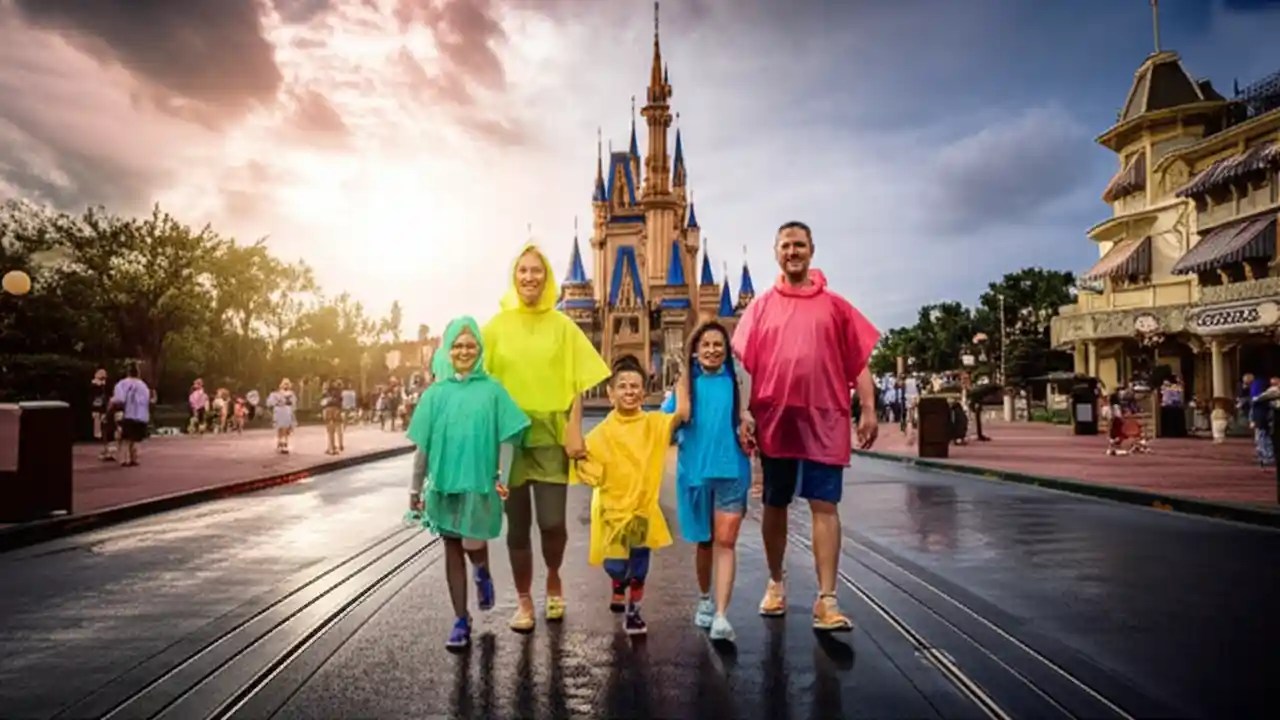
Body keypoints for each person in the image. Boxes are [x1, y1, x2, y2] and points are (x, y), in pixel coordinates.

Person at [732, 220, 879, 632]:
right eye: (785, 246)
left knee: (824, 505)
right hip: (776, 419)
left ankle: (826, 599)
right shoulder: (760, 307)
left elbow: (858, 363)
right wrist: (744, 412)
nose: (792, 252)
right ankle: (776, 583)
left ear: (811, 250)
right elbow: (744, 366)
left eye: (799, 245)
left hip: (824, 418)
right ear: (775, 252)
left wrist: (868, 408)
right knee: (774, 504)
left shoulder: (835, 306)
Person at [482, 243, 611, 632]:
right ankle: (524, 601)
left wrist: (574, 427)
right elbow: (478, 379)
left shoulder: (564, 326)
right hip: (509, 441)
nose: (529, 277)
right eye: (522, 270)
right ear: (513, 275)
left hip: (551, 436)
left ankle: (553, 576)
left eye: (536, 270)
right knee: (517, 526)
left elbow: (576, 383)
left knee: (553, 522)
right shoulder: (495, 327)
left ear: (548, 277)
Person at [406, 316, 531, 650]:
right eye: (457, 346)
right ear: (447, 351)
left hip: (479, 482)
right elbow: (423, 446)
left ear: (479, 349)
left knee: (473, 544)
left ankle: (482, 572)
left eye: (470, 345)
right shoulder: (435, 395)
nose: (464, 351)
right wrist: (415, 489)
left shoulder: (492, 391)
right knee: (451, 546)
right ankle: (461, 619)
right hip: (445, 484)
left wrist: (502, 475)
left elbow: (508, 436)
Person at [660, 321, 753, 642]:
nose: (712, 350)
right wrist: (678, 412)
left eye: (718, 345)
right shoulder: (684, 387)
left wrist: (747, 421)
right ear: (695, 351)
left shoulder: (737, 383)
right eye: (706, 345)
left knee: (725, 543)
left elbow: (747, 417)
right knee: (704, 541)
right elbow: (664, 430)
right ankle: (704, 598)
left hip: (731, 473)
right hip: (697, 474)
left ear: (726, 351)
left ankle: (723, 616)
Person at [576, 355, 676, 636]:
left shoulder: (654, 424)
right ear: (610, 393)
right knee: (616, 566)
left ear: (643, 392)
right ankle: (618, 584)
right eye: (623, 386)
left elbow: (681, 416)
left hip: (642, 510)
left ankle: (634, 610)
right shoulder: (600, 434)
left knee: (640, 563)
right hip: (613, 512)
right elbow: (585, 465)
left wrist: (687, 373)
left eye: (635, 386)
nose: (629, 391)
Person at [111, 363, 150, 467]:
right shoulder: (143, 385)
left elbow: (119, 399)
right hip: (141, 415)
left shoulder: (122, 384)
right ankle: (134, 458)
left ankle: (125, 459)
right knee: (135, 439)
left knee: (125, 438)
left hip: (128, 414)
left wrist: (111, 403)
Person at [268, 378, 297, 454]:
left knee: (286, 429)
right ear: (281, 385)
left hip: (287, 411)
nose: (286, 385)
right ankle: (280, 443)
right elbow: (271, 403)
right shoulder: (276, 393)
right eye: (285, 383)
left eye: (287, 384)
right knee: (280, 428)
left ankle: (285, 443)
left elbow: (293, 403)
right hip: (279, 411)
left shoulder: (291, 394)